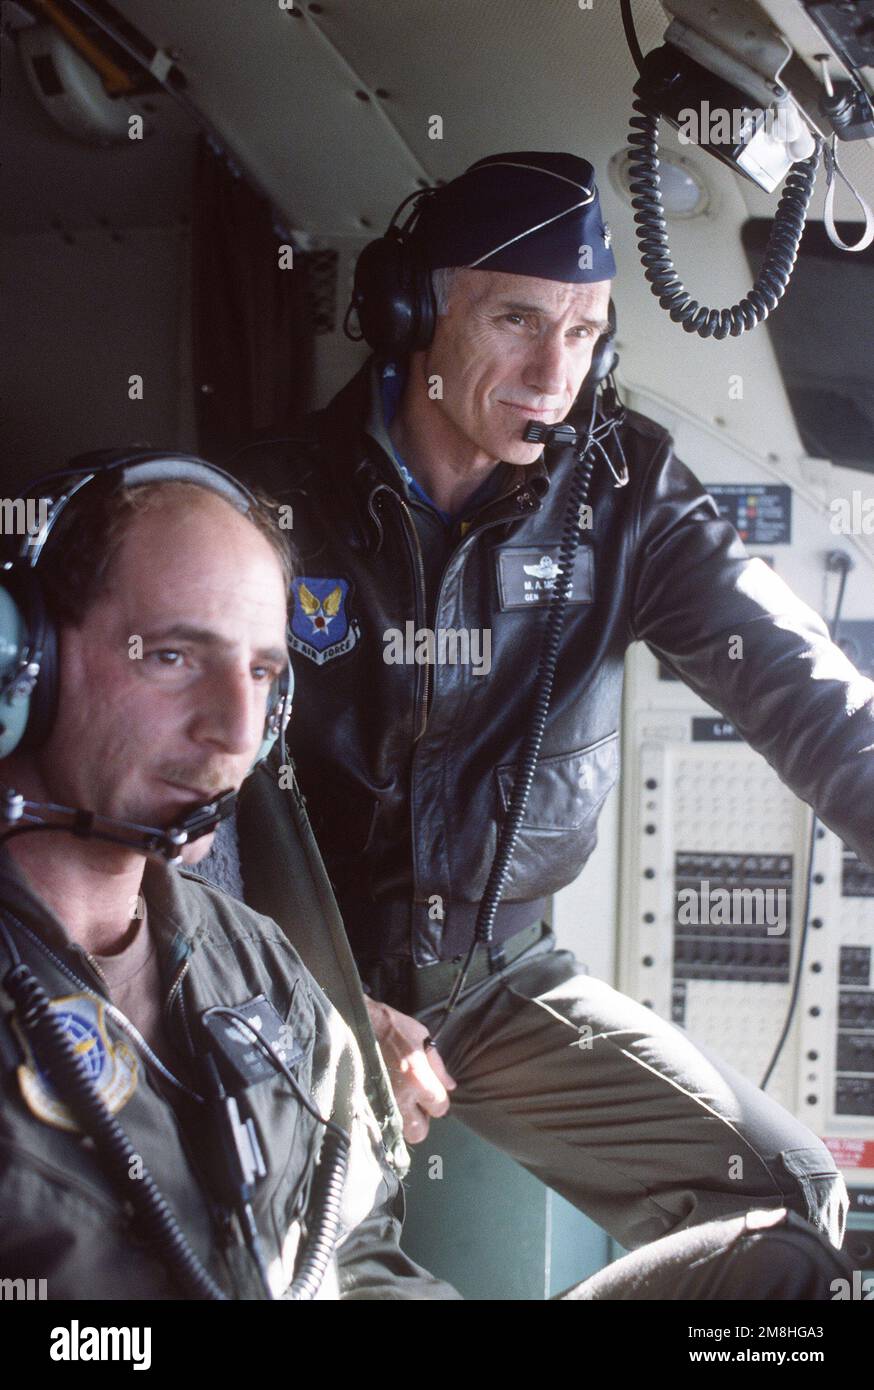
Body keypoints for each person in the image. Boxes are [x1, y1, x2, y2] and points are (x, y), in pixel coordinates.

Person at [233, 150, 867, 1271]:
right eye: (518, 321)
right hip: (296, 976)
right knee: (343, 1278)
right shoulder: (264, 500)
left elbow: (806, 693)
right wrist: (299, 994)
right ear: (413, 311)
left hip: (498, 977)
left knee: (784, 1202)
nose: (553, 371)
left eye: (585, 333)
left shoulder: (624, 496)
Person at [0, 451, 459, 1300]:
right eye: (173, 657)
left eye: (261, 673)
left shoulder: (253, 954)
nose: (238, 732)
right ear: (23, 661)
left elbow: (356, 1251)